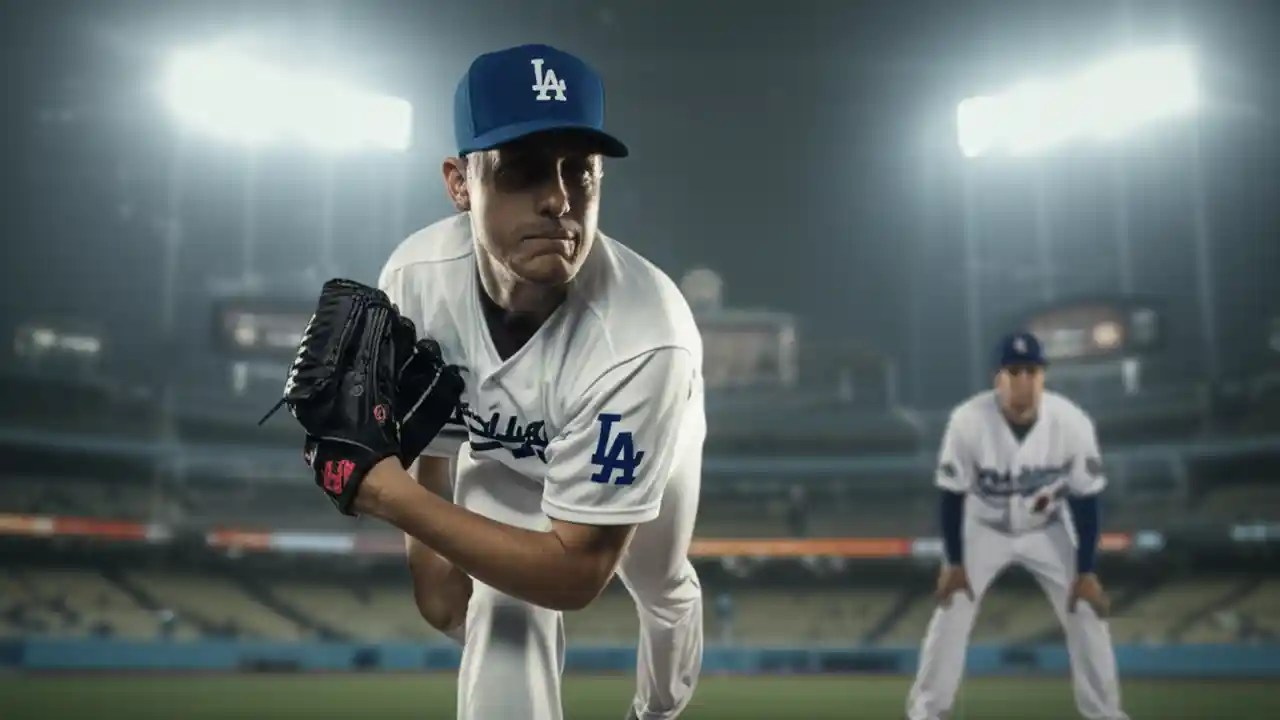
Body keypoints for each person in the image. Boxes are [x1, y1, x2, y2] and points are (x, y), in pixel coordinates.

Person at [351, 43, 704, 720]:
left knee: (658, 580)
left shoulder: (644, 338)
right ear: (460, 183)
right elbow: (434, 438)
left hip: (648, 414)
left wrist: (395, 502)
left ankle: (658, 711)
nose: (558, 200)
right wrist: (427, 549)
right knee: (500, 604)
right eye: (523, 170)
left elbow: (576, 574)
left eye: (582, 172)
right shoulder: (414, 280)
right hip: (505, 446)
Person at [906, 332, 1128, 720]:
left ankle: (1106, 714)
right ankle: (927, 712)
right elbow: (951, 495)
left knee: (1087, 610)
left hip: (1047, 527)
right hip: (984, 524)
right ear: (998, 379)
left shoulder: (1072, 422)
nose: (1024, 379)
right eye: (1014, 371)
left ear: (1043, 377)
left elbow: (1085, 498)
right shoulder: (967, 420)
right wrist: (955, 563)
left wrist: (1086, 570)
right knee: (952, 607)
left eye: (1032, 370)